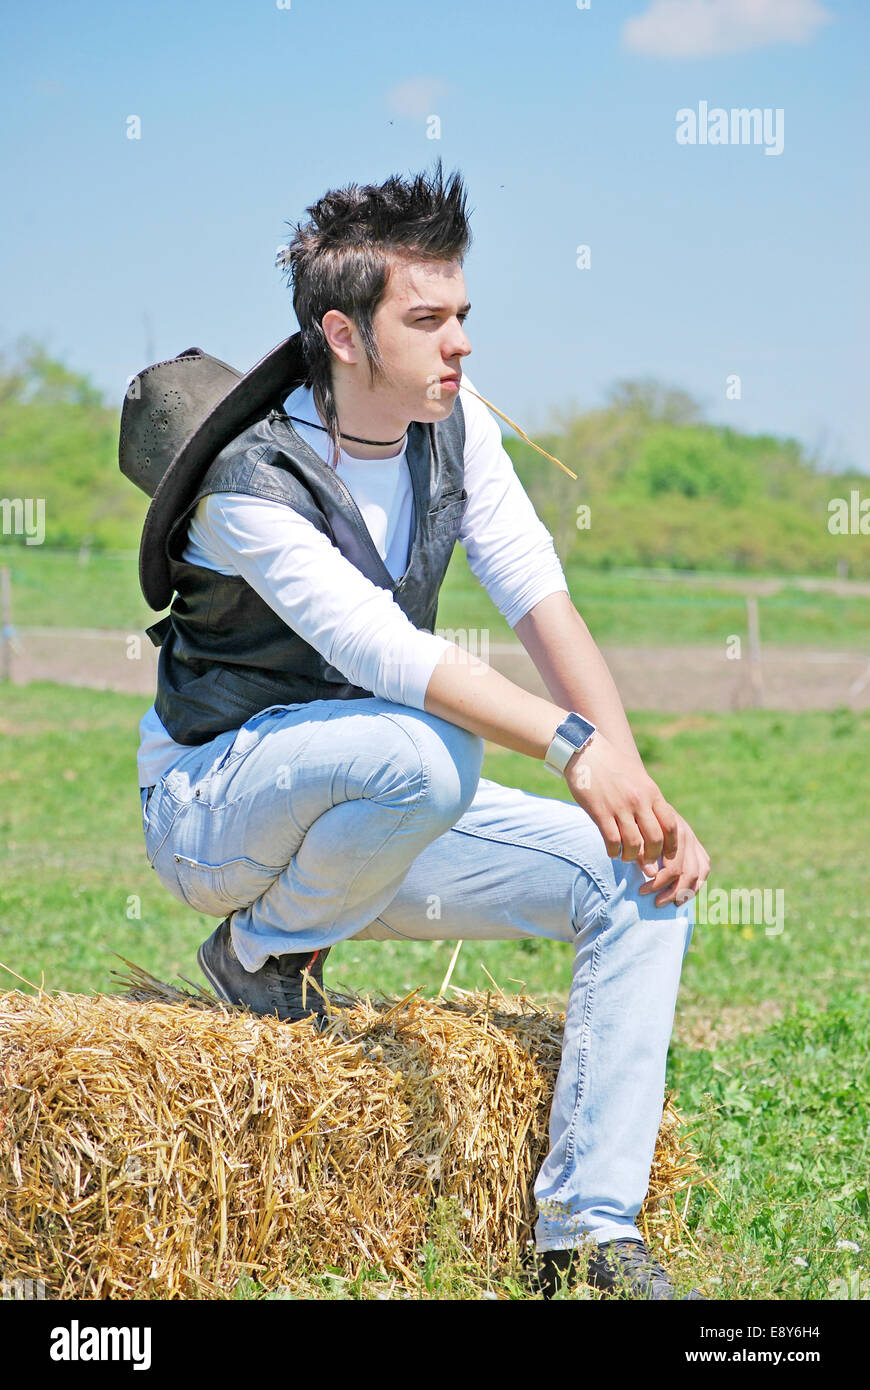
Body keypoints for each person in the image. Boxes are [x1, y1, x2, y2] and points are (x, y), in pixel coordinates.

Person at [135, 160, 710, 1300]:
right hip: (219, 812)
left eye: (464, 316)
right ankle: (259, 956)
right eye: (428, 319)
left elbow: (545, 605)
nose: (459, 345)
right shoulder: (250, 483)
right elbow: (387, 657)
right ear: (343, 335)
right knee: (429, 743)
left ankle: (587, 1236)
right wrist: (571, 748)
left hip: (381, 813)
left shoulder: (459, 435)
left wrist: (635, 787)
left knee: (641, 884)